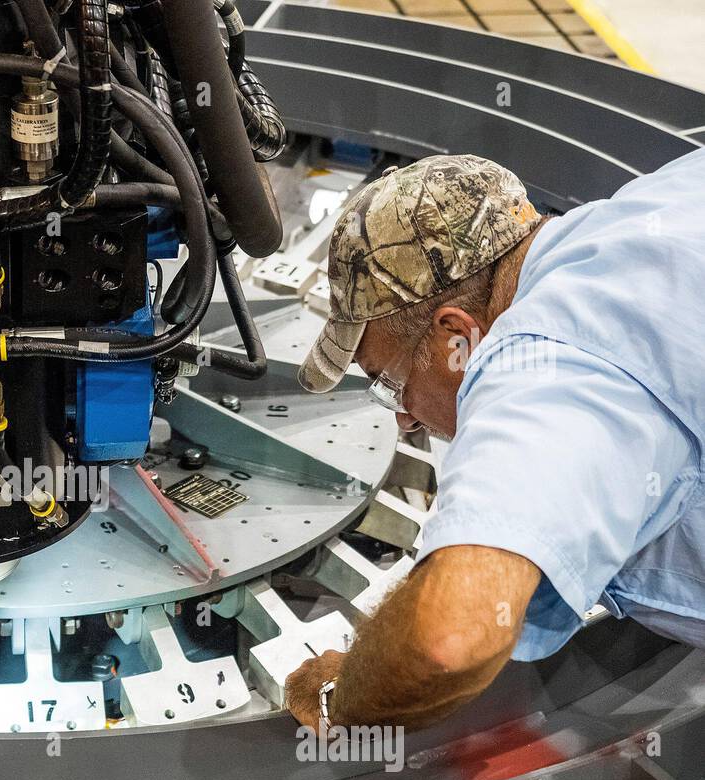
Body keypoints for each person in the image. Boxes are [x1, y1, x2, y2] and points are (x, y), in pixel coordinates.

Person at [284, 151, 705, 733]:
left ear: (456, 335)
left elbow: (448, 640)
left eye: (392, 382)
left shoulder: (547, 371)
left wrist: (343, 692)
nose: (403, 420)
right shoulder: (653, 206)